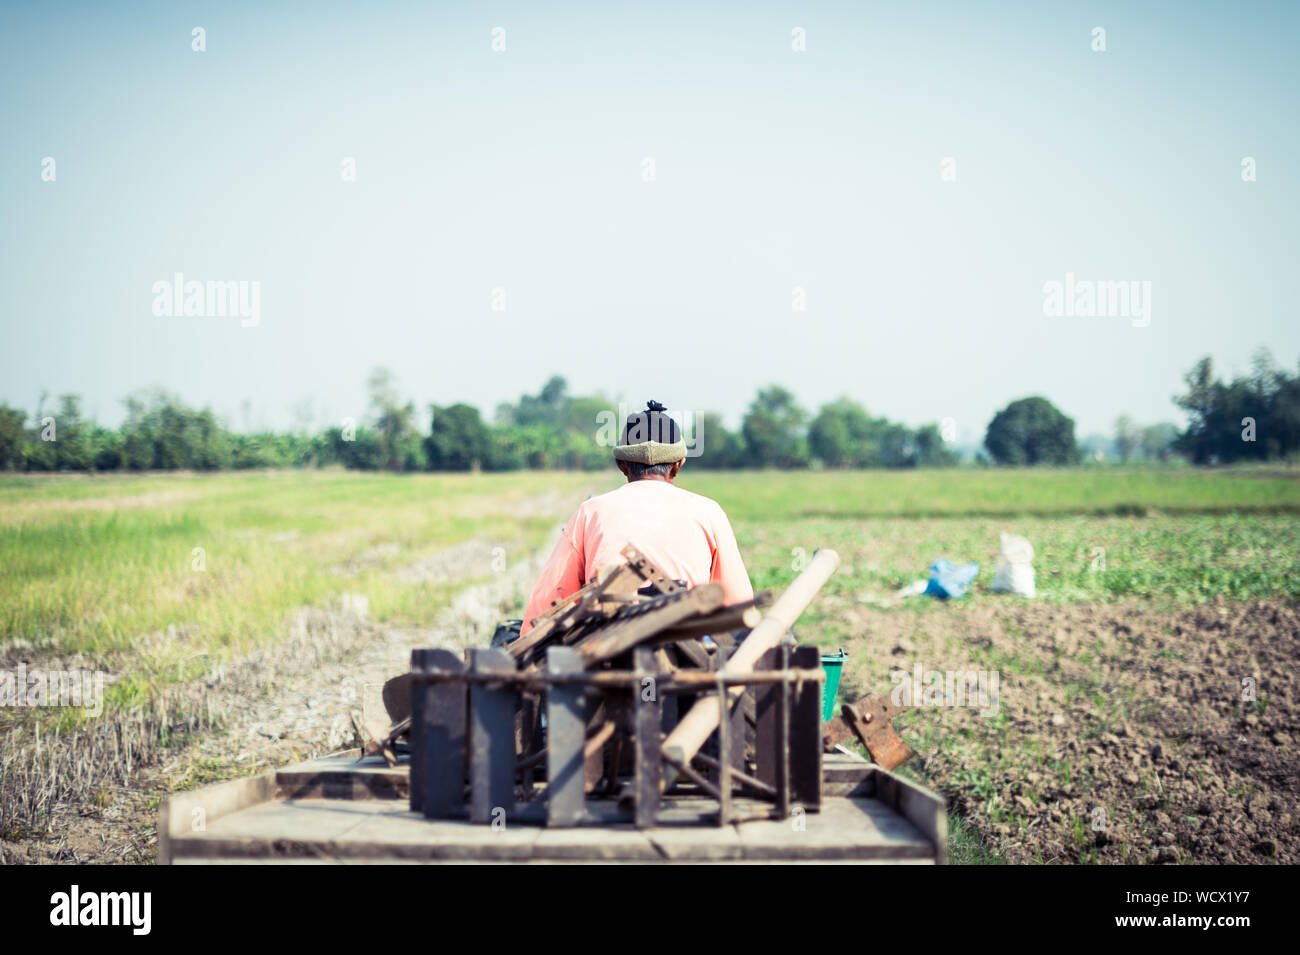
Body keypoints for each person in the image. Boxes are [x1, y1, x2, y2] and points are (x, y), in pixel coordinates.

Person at [520, 400, 753, 634]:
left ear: (622, 465)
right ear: (678, 464)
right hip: (690, 640)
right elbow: (738, 602)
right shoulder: (709, 511)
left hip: (606, 642)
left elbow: (552, 600)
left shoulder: (591, 511)